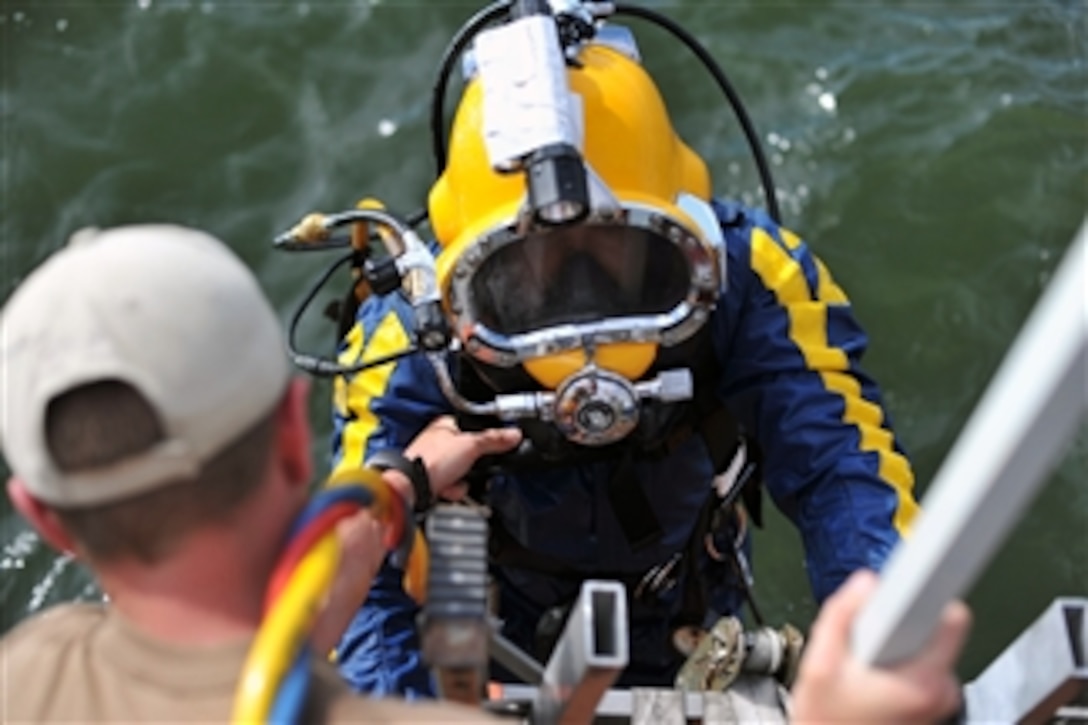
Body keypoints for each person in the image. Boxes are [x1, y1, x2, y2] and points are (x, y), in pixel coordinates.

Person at [328, 5, 923, 701]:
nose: (580, 291)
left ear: (678, 230)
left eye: (612, 245)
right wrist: (402, 709)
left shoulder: (750, 278)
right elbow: (354, 570)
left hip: (688, 602)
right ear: (470, 271)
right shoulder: (410, 336)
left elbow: (842, 469)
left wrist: (876, 643)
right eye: (537, 263)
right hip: (490, 615)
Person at [0, 225, 491, 722]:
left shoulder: (25, 678)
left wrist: (396, 488)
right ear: (293, 435)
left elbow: (238, 659)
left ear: (44, 519)